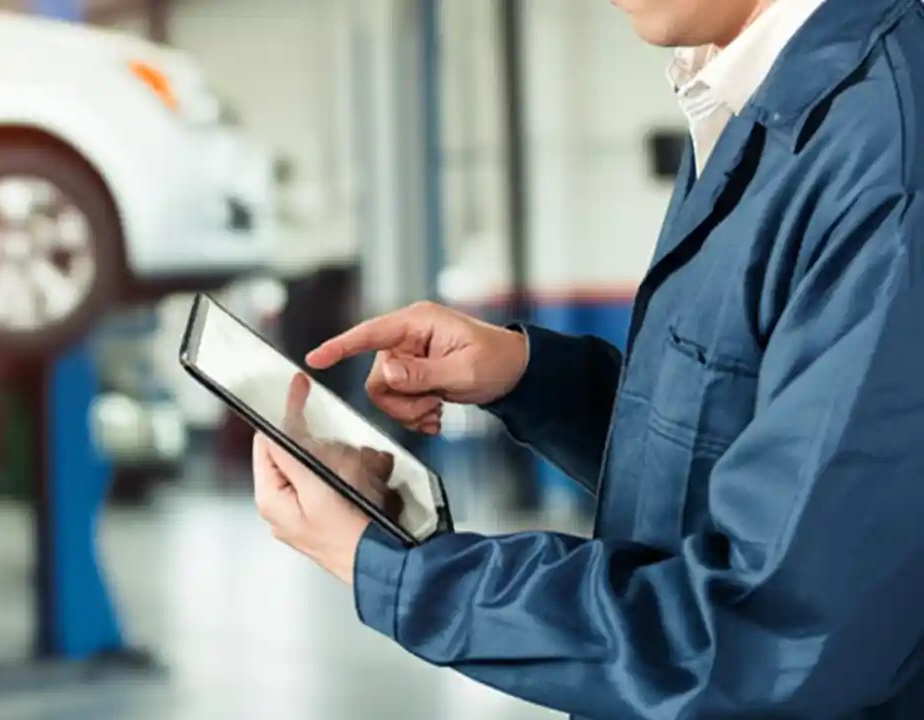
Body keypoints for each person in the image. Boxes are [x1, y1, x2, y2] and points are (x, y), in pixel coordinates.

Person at [250, 0, 924, 717]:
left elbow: (767, 635)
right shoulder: (749, 98)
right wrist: (529, 376)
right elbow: (741, 456)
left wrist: (399, 573)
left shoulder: (885, 153)